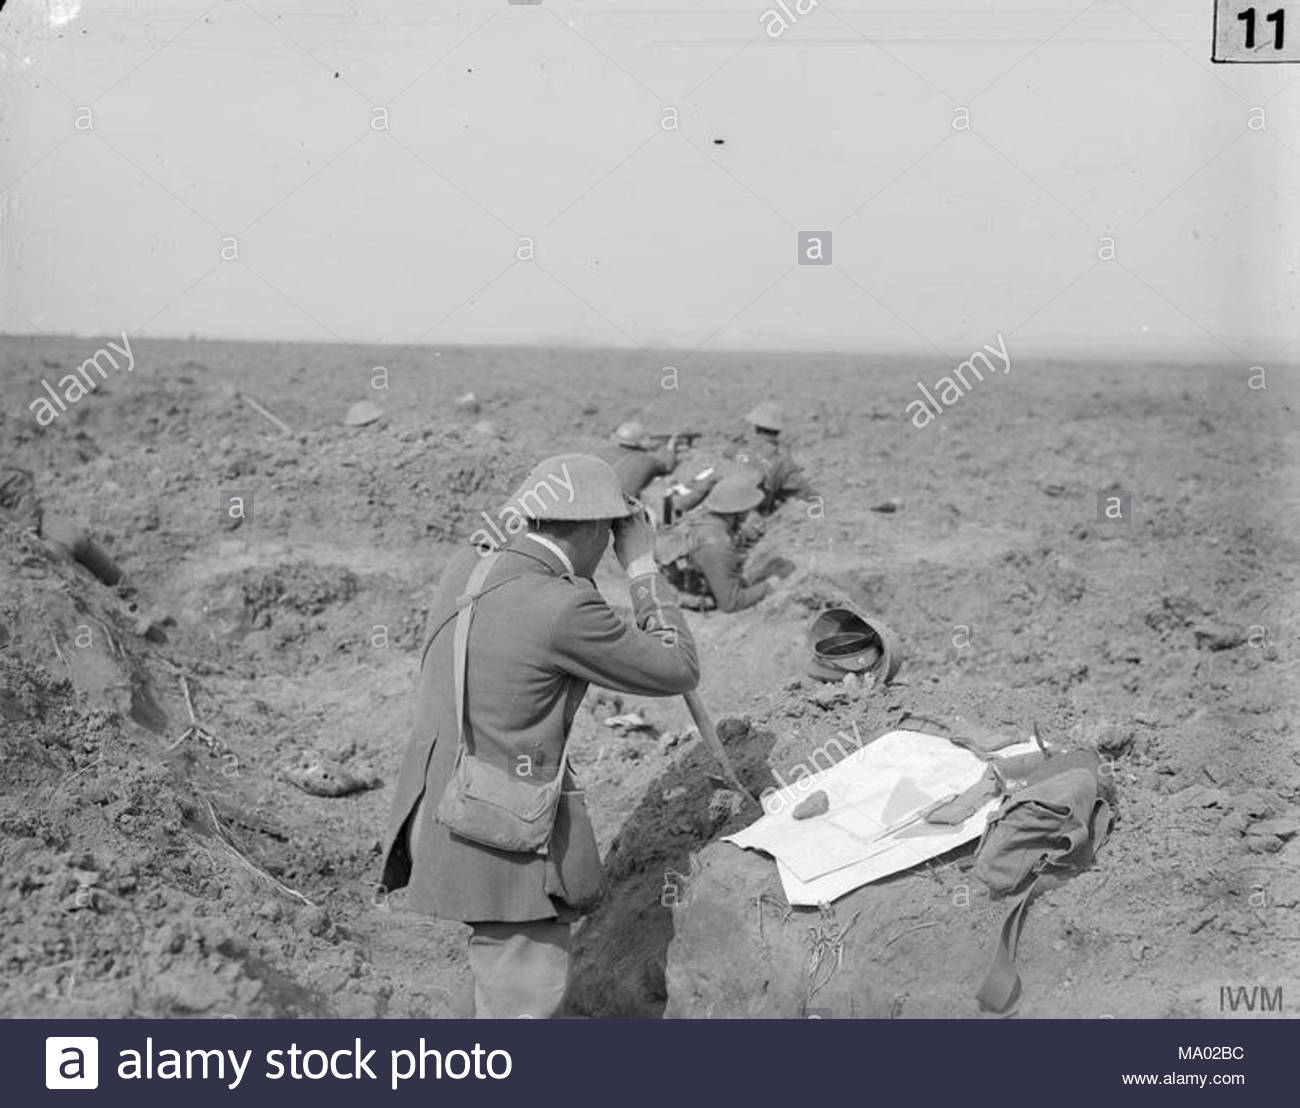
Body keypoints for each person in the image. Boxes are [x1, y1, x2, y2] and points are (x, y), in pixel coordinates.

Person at [379, 453, 700, 1019]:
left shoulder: (469, 564)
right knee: (526, 992)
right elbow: (677, 669)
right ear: (598, 531)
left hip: (442, 802)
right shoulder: (564, 606)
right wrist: (643, 569)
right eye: (609, 533)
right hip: (504, 831)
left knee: (495, 977)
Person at [657, 474, 786, 614]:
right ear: (739, 511)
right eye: (748, 509)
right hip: (659, 582)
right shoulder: (717, 543)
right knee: (713, 601)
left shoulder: (706, 516)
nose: (751, 512)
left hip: (660, 564)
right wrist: (769, 586)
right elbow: (731, 603)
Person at [594, 420, 716, 518]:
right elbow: (667, 465)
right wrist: (669, 448)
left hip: (595, 503)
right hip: (622, 510)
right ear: (640, 441)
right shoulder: (645, 460)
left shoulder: (601, 452)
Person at [725, 401, 815, 515]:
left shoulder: (733, 449)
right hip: (750, 517)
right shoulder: (781, 459)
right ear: (778, 430)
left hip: (722, 509)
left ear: (755, 426)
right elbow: (805, 493)